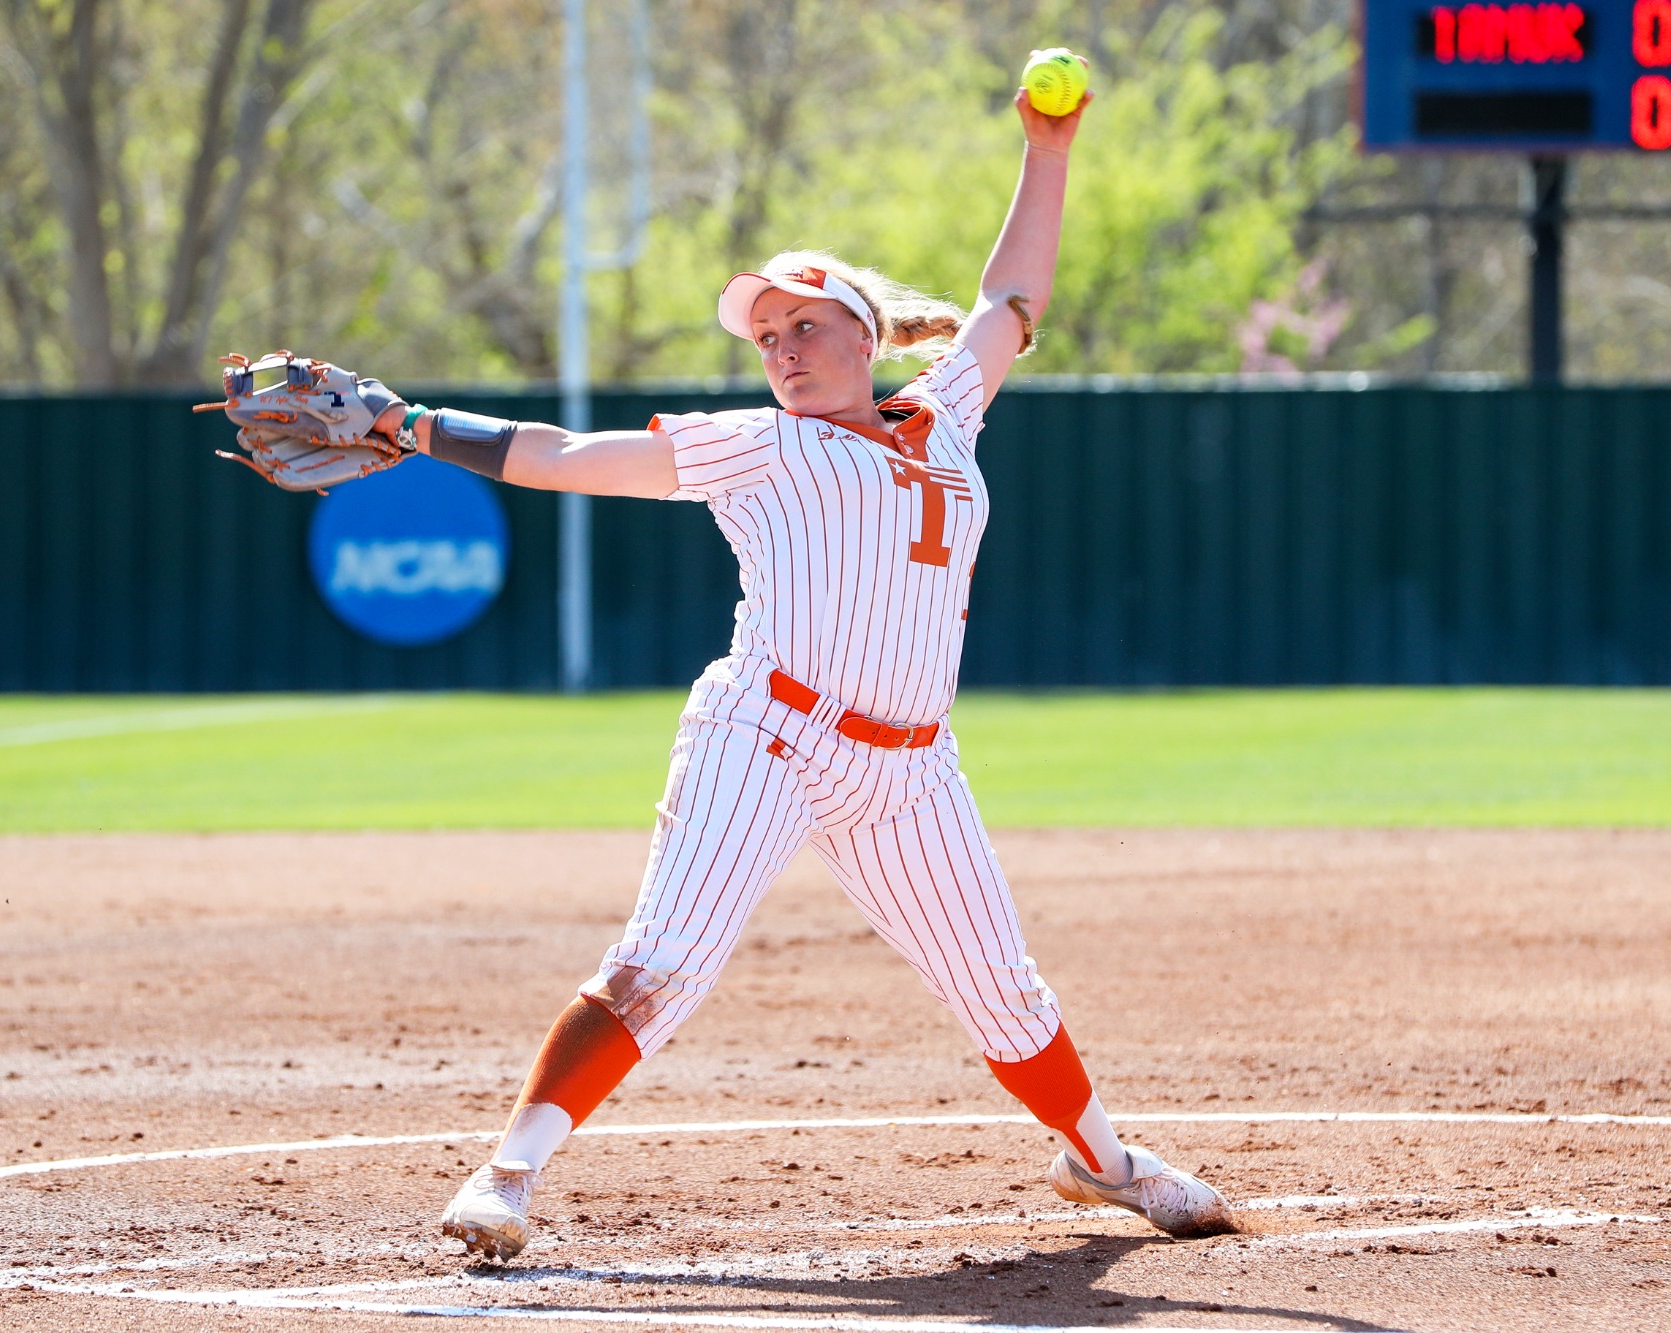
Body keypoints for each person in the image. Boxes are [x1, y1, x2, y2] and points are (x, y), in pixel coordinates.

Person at [371, 80, 1235, 1261]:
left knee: (1000, 989)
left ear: (862, 336)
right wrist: (412, 425)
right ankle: (504, 1175)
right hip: (768, 734)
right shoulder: (756, 445)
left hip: (910, 768)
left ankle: (1105, 1164)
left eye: (803, 326)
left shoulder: (943, 416)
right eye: (766, 337)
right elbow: (566, 455)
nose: (781, 349)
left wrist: (1047, 152)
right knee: (662, 961)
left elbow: (1009, 300)